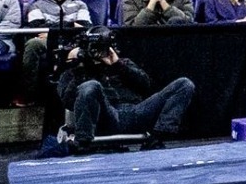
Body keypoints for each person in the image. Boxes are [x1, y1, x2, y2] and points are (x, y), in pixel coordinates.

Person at [53, 34, 195, 154]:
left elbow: (146, 85)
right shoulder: (75, 71)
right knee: (91, 86)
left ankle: (157, 137)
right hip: (107, 115)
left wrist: (118, 65)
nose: (97, 53)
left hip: (137, 111)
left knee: (184, 84)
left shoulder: (123, 63)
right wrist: (79, 70)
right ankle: (82, 143)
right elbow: (68, 101)